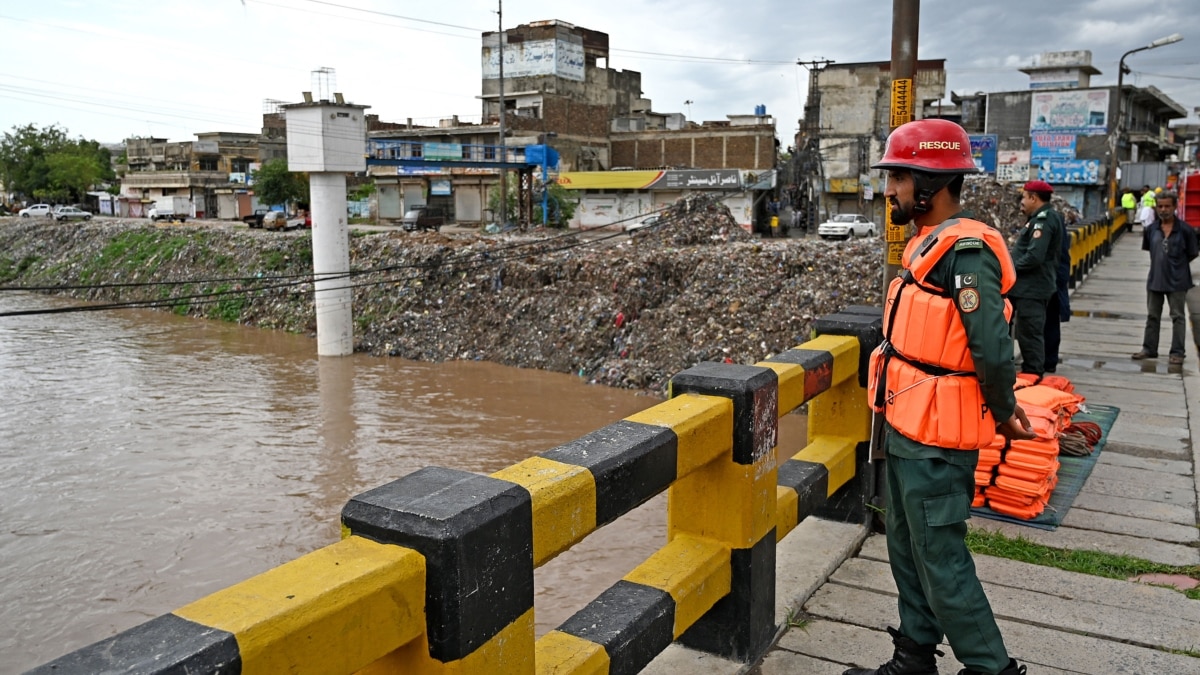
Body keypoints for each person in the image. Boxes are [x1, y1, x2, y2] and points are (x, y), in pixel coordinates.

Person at [855, 118, 1033, 675]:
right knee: (906, 548)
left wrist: (1004, 411)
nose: (889, 190)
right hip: (907, 424)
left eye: (899, 178)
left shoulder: (968, 253)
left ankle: (991, 668)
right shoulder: (926, 244)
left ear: (930, 184)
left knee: (941, 557)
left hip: (938, 439)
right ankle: (913, 656)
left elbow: (992, 348)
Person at [1132, 192, 1197, 365]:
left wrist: (1176, 265)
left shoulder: (1185, 230)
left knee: (1178, 317)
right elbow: (1151, 251)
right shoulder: (1151, 229)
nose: (1163, 210)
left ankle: (1177, 352)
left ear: (1175, 206)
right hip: (1155, 279)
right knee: (1152, 316)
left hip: (1178, 281)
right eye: (1160, 206)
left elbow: (1192, 253)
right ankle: (1149, 349)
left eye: (1167, 206)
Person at [1009, 179, 1064, 378]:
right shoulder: (1040, 218)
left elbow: (1034, 256)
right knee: (1025, 330)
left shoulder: (1044, 220)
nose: (1021, 202)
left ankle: (1033, 372)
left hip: (1032, 288)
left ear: (1033, 198)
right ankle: (1030, 369)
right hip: (1026, 288)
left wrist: (1008, 268)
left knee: (1030, 331)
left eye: (1024, 197)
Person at [1044, 214, 1072, 372]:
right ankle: (1048, 360)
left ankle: (1048, 361)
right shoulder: (1054, 218)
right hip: (1054, 278)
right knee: (1050, 322)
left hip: (1050, 280)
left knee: (1049, 321)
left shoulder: (1048, 220)